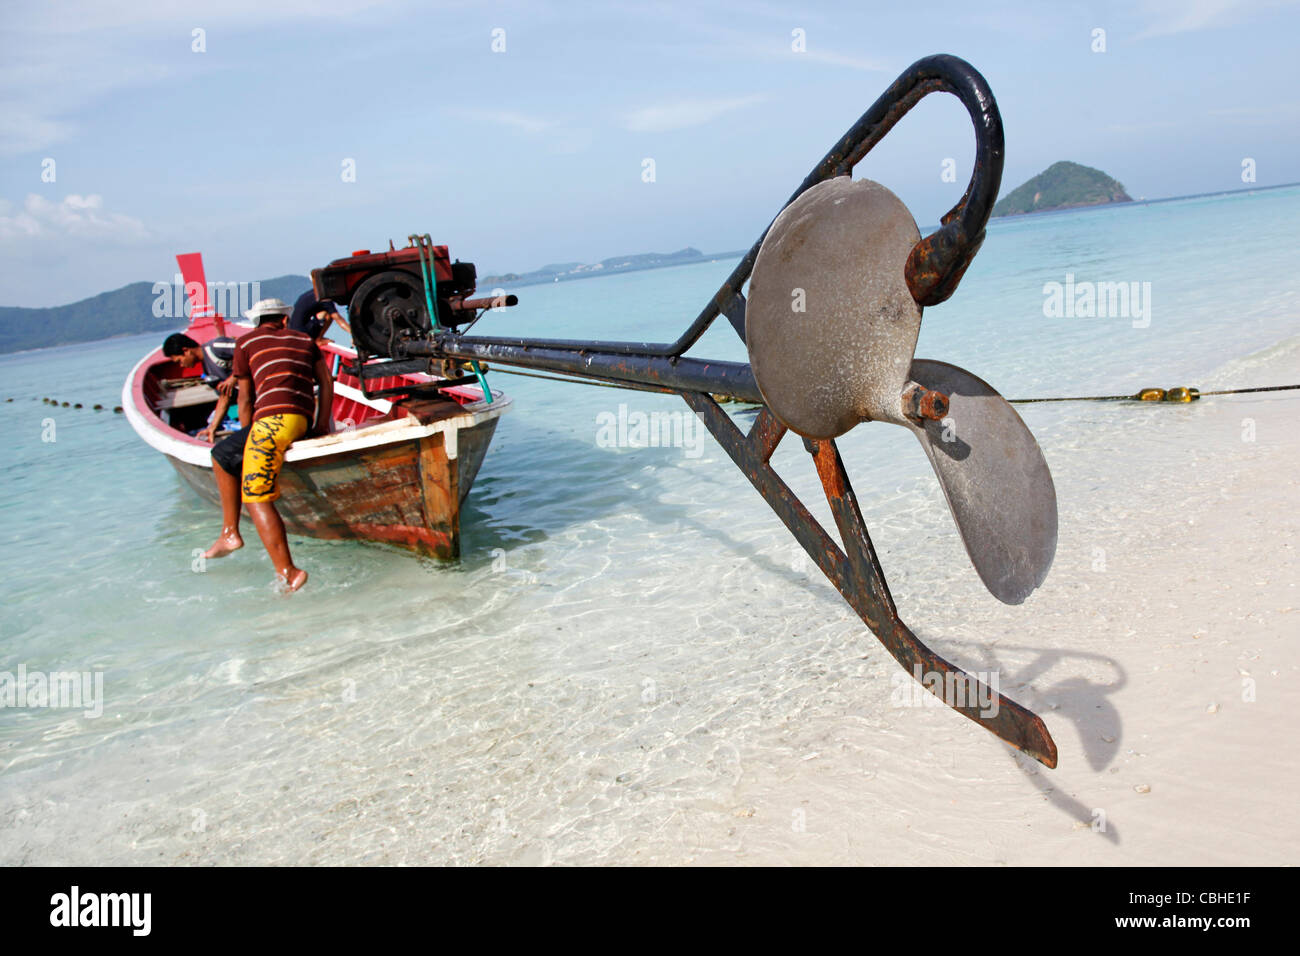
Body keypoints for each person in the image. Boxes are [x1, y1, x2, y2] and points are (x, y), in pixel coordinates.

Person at [203, 298, 334, 592]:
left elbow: (245, 398)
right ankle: (230, 533)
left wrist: (249, 432)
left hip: (271, 423)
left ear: (256, 322)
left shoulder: (246, 344)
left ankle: (287, 570)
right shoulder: (304, 339)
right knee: (224, 454)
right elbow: (326, 382)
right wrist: (321, 424)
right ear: (284, 320)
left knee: (255, 496)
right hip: (301, 419)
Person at [162, 332, 238, 442]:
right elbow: (224, 396)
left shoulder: (216, 346)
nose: (181, 365)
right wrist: (212, 428)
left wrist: (234, 377)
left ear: (186, 351)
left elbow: (248, 349)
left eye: (180, 361)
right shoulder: (208, 374)